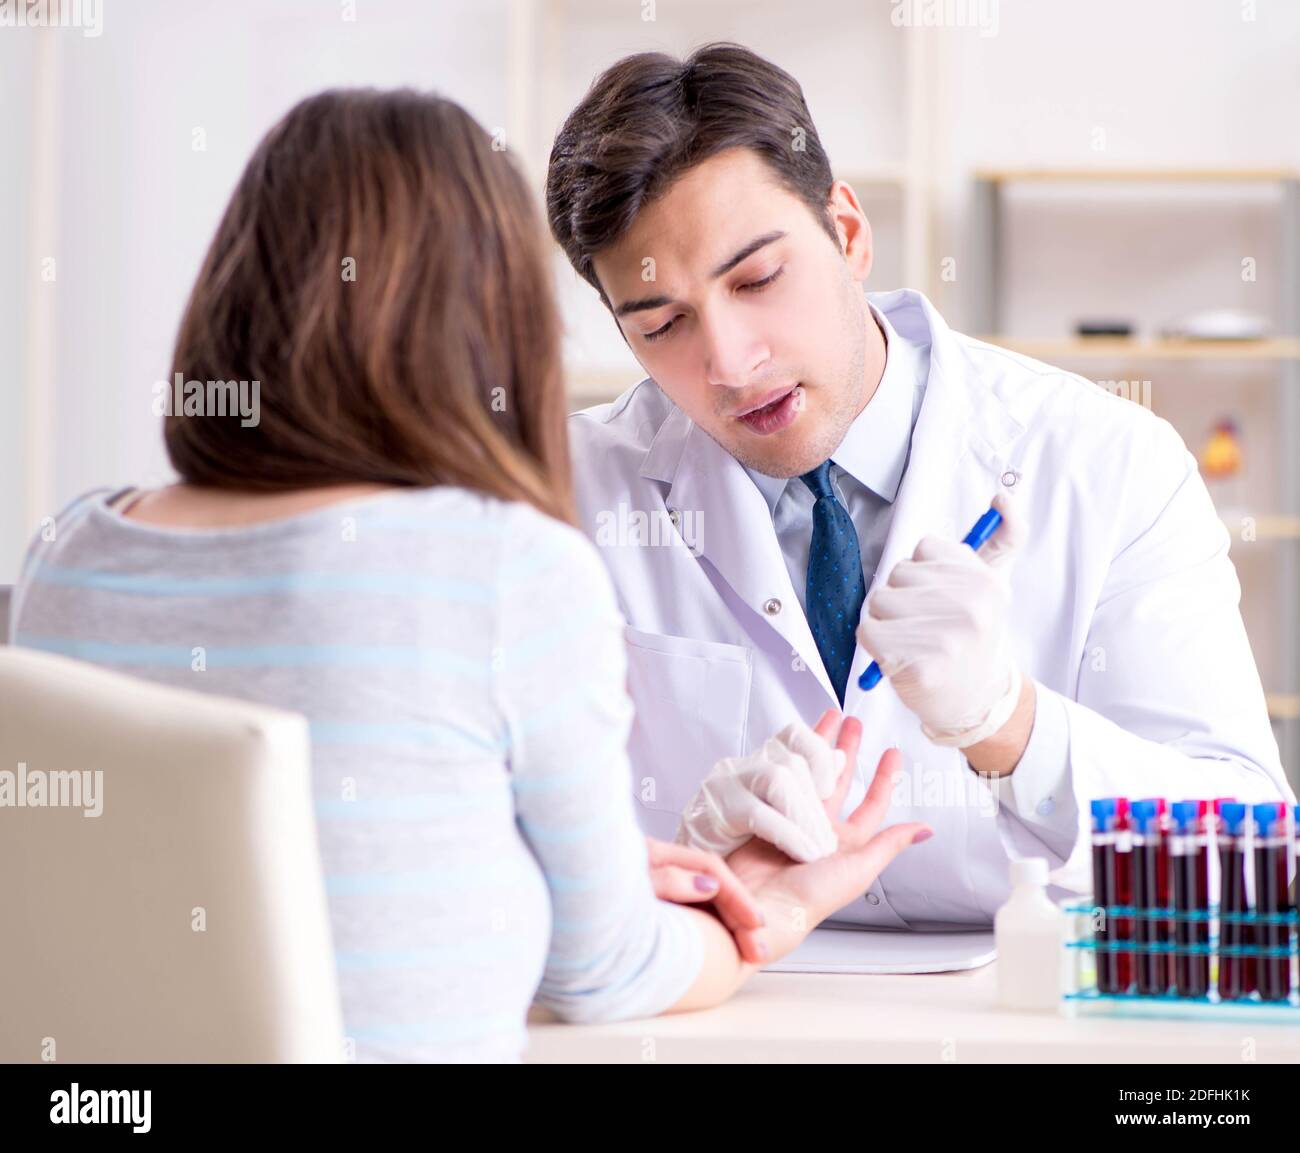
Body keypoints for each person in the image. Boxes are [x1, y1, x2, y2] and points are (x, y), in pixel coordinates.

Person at [8, 89, 930, 1062]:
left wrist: (556, 881)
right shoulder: (503, 568)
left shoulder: (66, 551)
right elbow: (602, 971)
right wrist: (767, 911)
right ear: (494, 320)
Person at [546, 42, 1294, 921]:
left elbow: (1259, 865)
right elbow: (485, 863)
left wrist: (1008, 723)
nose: (731, 363)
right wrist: (671, 866)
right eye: (663, 323)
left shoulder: (1110, 462)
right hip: (729, 1021)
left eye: (758, 278)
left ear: (849, 233)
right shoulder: (565, 491)